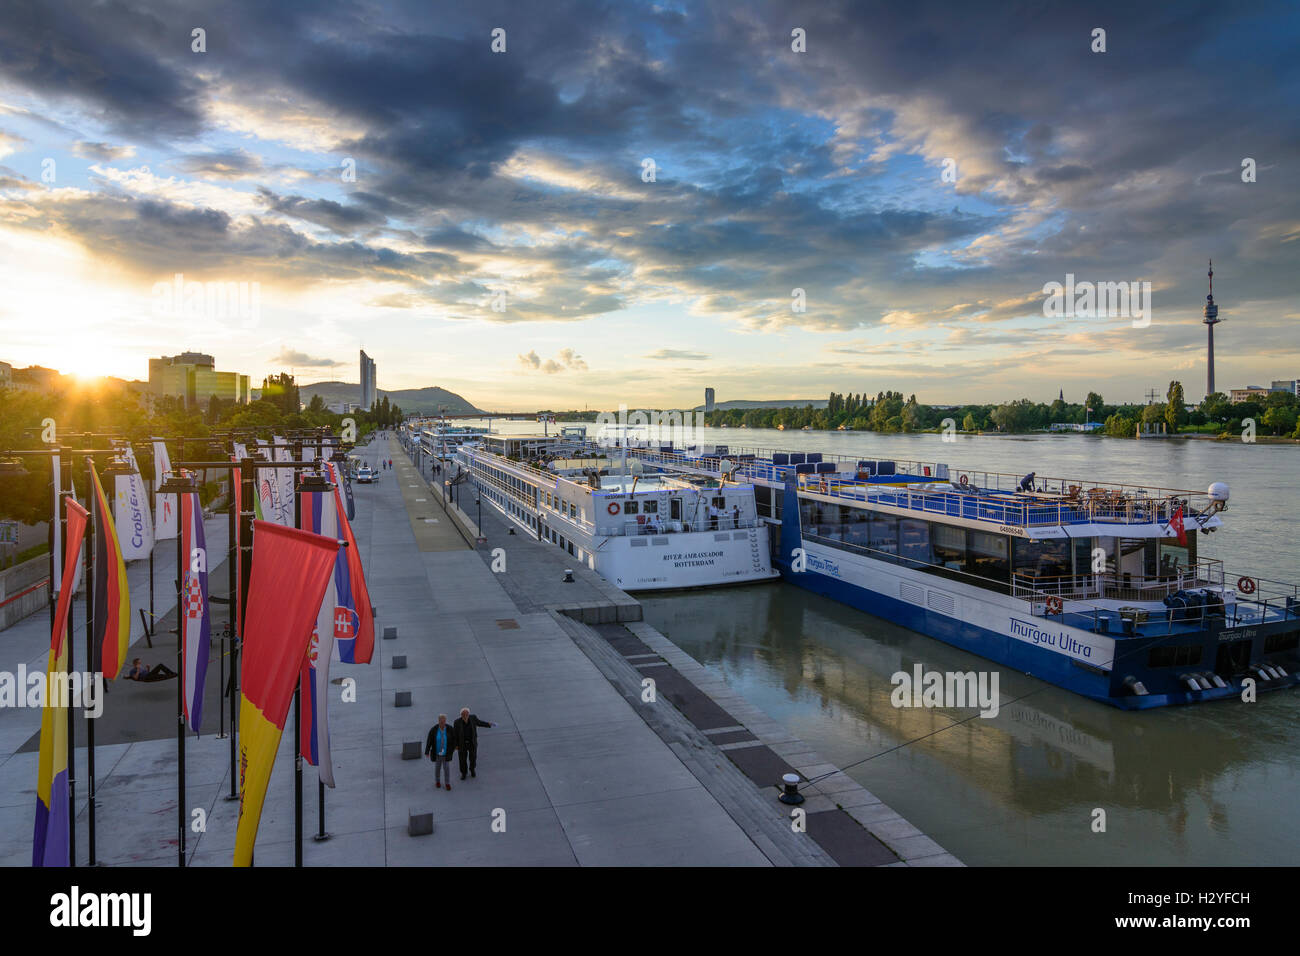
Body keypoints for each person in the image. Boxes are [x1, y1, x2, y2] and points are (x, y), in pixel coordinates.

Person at [452, 707, 494, 779]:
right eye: (463, 714)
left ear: (469, 714)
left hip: (472, 743)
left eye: (466, 714)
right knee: (462, 759)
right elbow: (455, 734)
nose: (465, 716)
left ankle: (472, 769)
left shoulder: (473, 718)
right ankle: (464, 773)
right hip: (462, 744)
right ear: (461, 715)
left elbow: (480, 723)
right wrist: (455, 745)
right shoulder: (457, 722)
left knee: (473, 758)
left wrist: (489, 724)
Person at [425, 714, 455, 790]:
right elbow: (429, 741)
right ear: (438, 721)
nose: (442, 722)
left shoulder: (450, 729)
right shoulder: (434, 730)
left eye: (444, 720)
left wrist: (453, 748)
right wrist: (427, 751)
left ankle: (447, 783)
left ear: (445, 721)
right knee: (437, 769)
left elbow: (454, 739)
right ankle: (437, 781)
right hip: (437, 753)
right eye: (441, 721)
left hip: (446, 753)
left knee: (447, 769)